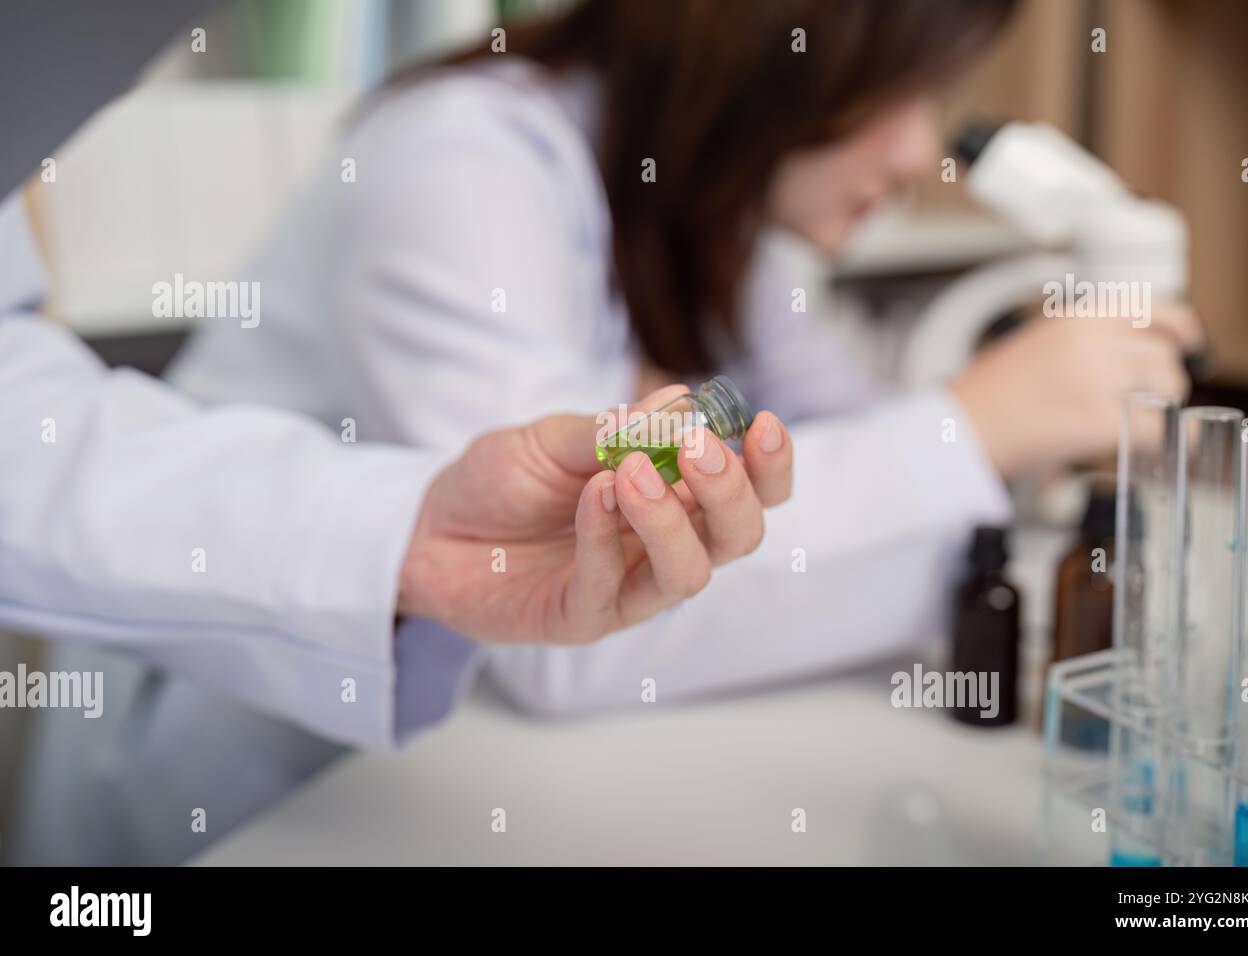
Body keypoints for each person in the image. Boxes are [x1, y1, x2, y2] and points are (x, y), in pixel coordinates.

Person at [173, 0, 1203, 722]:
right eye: (901, 90)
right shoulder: (458, 162)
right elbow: (563, 630)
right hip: (271, 776)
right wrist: (976, 422)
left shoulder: (704, 211)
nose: (914, 154)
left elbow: (828, 427)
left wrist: (1005, 429)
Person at [0, 9, 792, 863]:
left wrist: (409, 535)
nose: (914, 155)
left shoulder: (678, 187)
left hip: (374, 725)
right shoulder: (465, 146)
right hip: (205, 760)